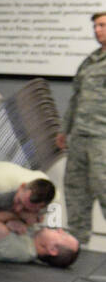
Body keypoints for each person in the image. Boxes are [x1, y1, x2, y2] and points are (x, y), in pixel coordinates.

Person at [55, 12, 106, 247]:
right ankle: (77, 242)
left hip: (102, 137)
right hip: (80, 136)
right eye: (95, 26)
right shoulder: (90, 60)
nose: (97, 30)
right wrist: (65, 130)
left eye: (102, 25)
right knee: (76, 187)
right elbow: (76, 99)